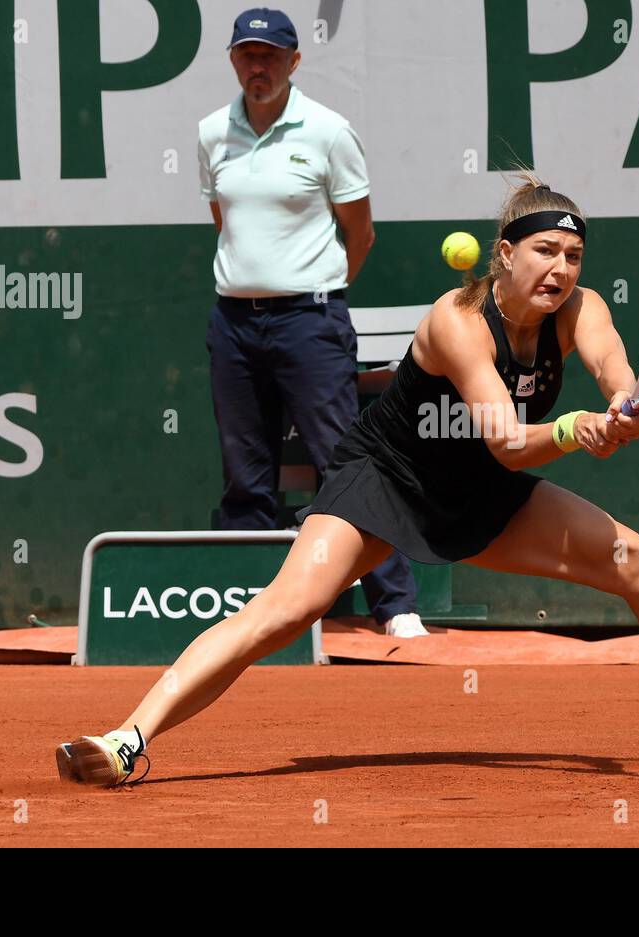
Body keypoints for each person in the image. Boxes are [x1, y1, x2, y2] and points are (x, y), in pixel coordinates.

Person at [56, 176, 639, 786]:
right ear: (504, 253)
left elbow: (614, 371)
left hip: (486, 497)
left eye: (574, 256)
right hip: (387, 481)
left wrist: (619, 408)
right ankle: (130, 738)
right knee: (285, 608)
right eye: (545, 250)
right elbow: (511, 443)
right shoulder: (455, 319)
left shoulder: (579, 313)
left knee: (632, 559)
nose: (561, 268)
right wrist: (579, 431)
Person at [198, 7, 426, 639]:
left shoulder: (329, 132)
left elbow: (361, 233)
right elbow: (228, 222)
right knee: (245, 474)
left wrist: (314, 290)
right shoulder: (212, 132)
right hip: (233, 323)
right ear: (233, 60)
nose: (258, 65)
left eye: (271, 55)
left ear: (295, 62)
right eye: (248, 54)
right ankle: (247, 608)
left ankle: (396, 605)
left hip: (311, 320)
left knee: (345, 465)